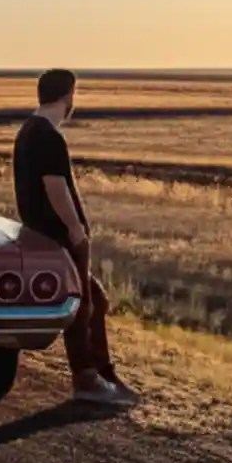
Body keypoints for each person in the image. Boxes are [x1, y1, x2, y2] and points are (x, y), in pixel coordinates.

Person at [12, 68, 139, 406]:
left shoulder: (27, 131)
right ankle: (87, 377)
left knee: (94, 300)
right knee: (82, 304)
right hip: (59, 234)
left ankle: (103, 373)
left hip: (42, 231)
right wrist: (74, 228)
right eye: (74, 94)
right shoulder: (49, 137)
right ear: (68, 95)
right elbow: (55, 187)